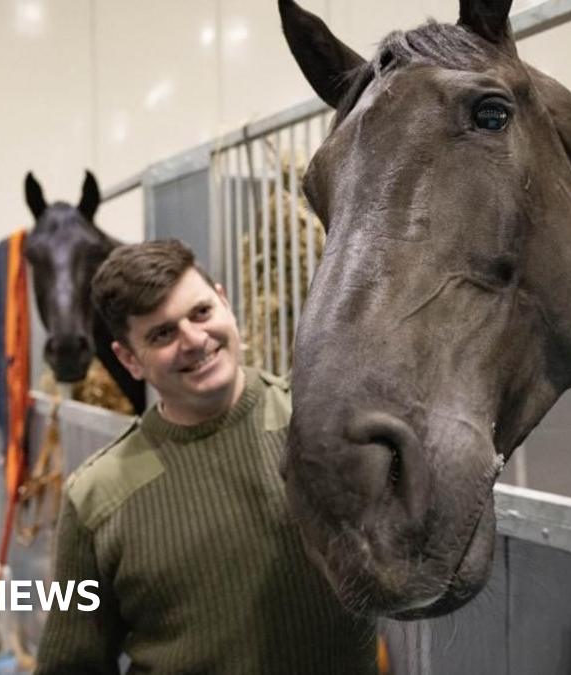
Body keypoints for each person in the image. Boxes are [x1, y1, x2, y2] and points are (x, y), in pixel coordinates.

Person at [35, 239, 377, 674]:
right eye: (162, 334)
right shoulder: (98, 497)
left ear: (224, 301)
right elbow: (68, 666)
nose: (194, 340)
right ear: (129, 359)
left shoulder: (321, 425)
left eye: (201, 313)